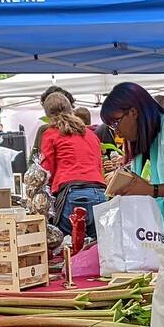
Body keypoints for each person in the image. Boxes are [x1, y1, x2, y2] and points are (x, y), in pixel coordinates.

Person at [39, 90, 107, 238]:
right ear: (71, 109)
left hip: (72, 194)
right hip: (100, 194)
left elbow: (46, 171)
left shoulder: (51, 134)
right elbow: (98, 165)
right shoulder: (90, 134)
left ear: (47, 114)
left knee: (69, 250)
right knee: (100, 251)